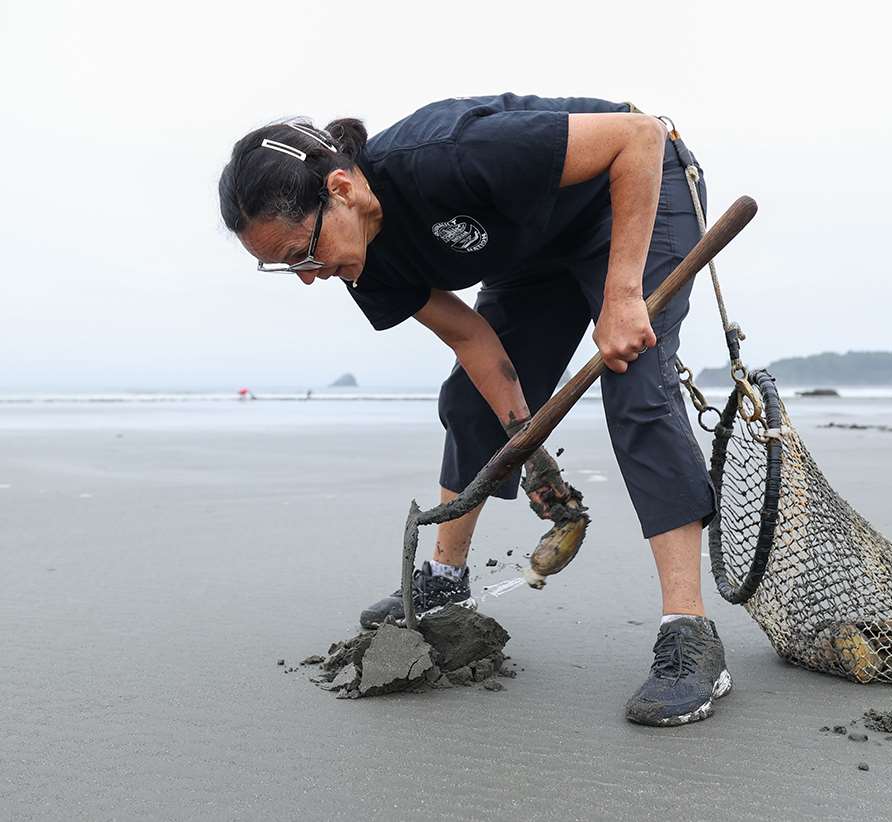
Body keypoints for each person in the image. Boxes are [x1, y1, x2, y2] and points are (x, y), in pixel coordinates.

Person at [218, 94, 730, 726]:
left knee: (635, 386)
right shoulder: (359, 263)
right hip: (534, 249)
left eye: (303, 252)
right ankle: (443, 576)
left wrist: (621, 295)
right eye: (284, 265)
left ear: (341, 188)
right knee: (468, 399)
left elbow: (640, 137)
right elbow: (474, 342)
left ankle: (690, 631)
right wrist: (532, 454)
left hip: (628, 192)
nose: (306, 275)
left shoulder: (448, 157)